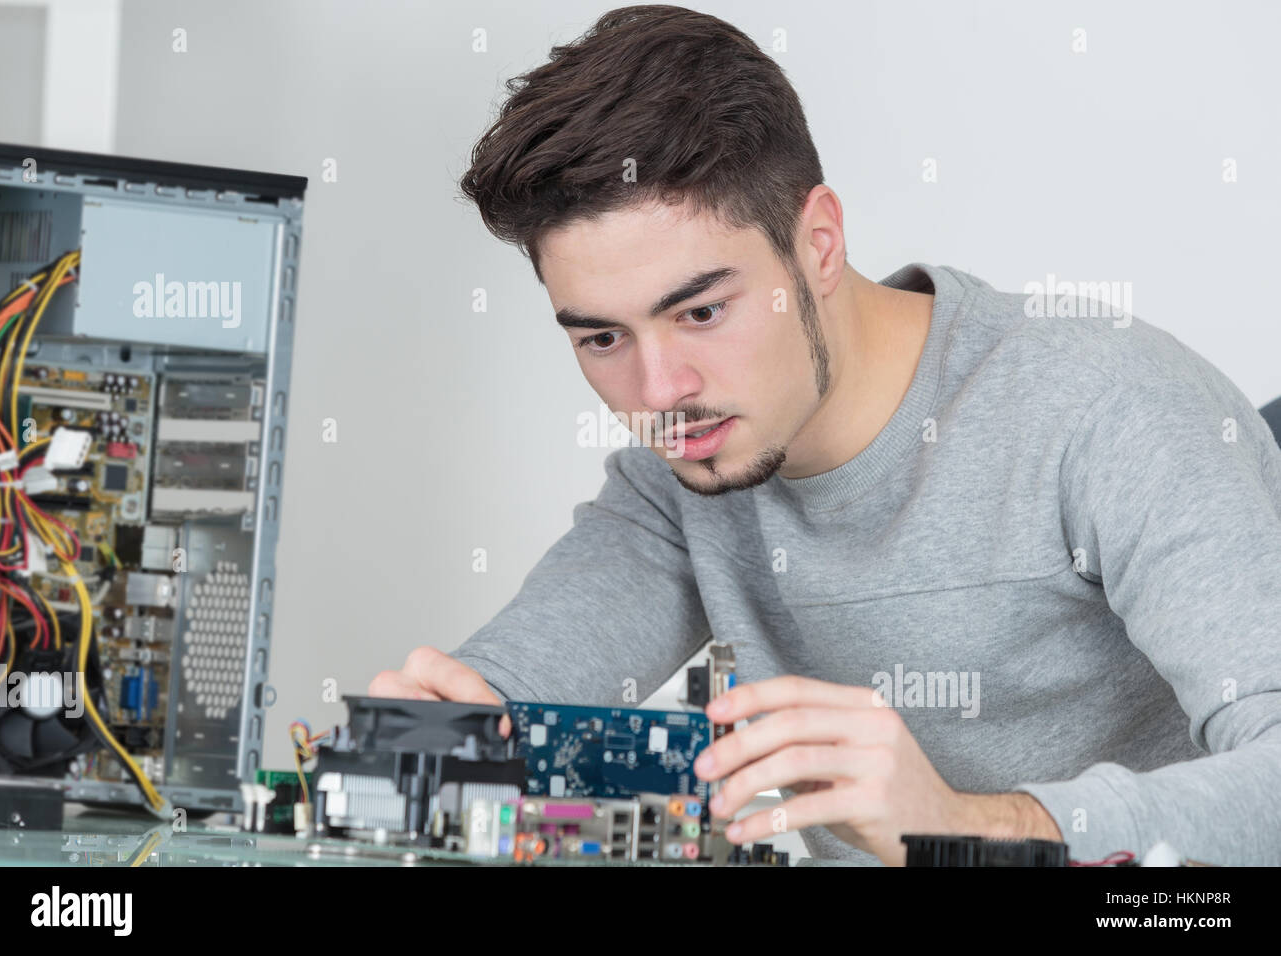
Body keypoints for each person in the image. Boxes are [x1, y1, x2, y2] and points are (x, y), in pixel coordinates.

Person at [370, 5, 1281, 865]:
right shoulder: (682, 481)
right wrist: (429, 737)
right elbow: (501, 698)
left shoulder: (1111, 407)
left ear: (819, 242)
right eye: (603, 337)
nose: (660, 393)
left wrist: (967, 834)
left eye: (702, 311)